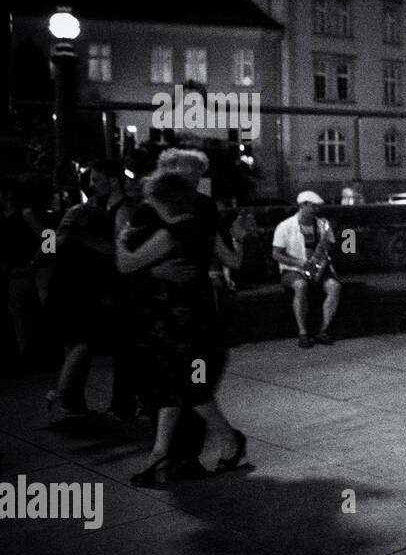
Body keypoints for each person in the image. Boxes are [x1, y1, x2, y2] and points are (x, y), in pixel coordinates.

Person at [117, 171, 248, 485]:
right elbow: (235, 262)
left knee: (189, 389)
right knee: (177, 387)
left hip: (173, 325)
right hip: (201, 319)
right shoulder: (204, 230)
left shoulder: (167, 235)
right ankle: (161, 452)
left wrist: (121, 241)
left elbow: (125, 265)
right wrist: (239, 236)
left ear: (163, 202)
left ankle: (229, 438)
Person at [45, 160, 134, 423]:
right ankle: (67, 399)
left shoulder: (113, 209)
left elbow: (117, 249)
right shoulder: (85, 210)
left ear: (113, 180)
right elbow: (52, 243)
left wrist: (71, 235)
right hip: (82, 285)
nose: (91, 185)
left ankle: (68, 400)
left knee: (81, 342)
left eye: (96, 179)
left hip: (89, 285)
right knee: (81, 341)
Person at [272, 191, 342, 348]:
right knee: (300, 286)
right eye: (313, 207)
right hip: (292, 269)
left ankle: (323, 330)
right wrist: (299, 263)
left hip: (318, 266)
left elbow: (328, 246)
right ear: (302, 205)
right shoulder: (285, 226)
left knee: (335, 286)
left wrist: (322, 259)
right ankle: (303, 333)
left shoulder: (322, 225)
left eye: (318, 207)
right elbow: (276, 254)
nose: (317, 210)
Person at [1, 175, 51, 368]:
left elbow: (49, 239)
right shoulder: (12, 215)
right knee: (19, 312)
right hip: (20, 270)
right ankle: (26, 353)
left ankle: (29, 353)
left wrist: (35, 262)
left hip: (34, 269)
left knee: (24, 311)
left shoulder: (25, 213)